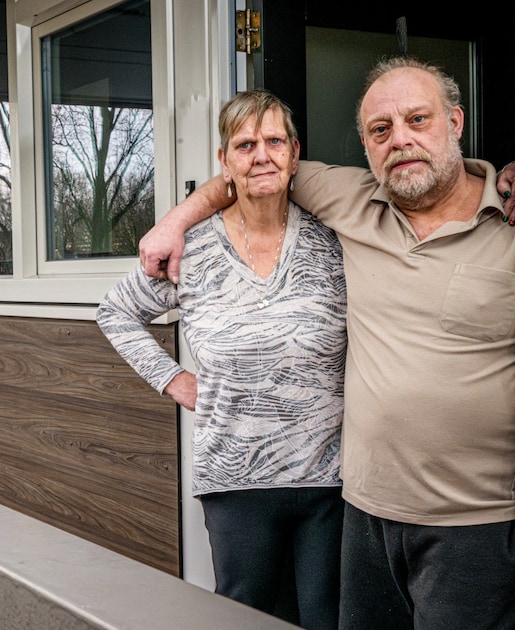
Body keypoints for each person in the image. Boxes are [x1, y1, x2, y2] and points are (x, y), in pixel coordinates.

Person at [139, 58, 515, 629]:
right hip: (363, 510)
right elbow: (252, 173)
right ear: (365, 144)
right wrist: (176, 221)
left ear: (456, 122)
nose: (401, 140)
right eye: (380, 129)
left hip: (473, 520)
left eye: (418, 119)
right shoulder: (353, 200)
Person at [98, 90, 347, 629]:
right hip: (235, 480)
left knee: (326, 617)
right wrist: (173, 379)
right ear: (225, 161)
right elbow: (115, 312)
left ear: (295, 152)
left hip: (329, 478)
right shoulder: (193, 250)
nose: (262, 155)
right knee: (245, 614)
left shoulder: (333, 242)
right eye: (246, 144)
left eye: (275, 141)